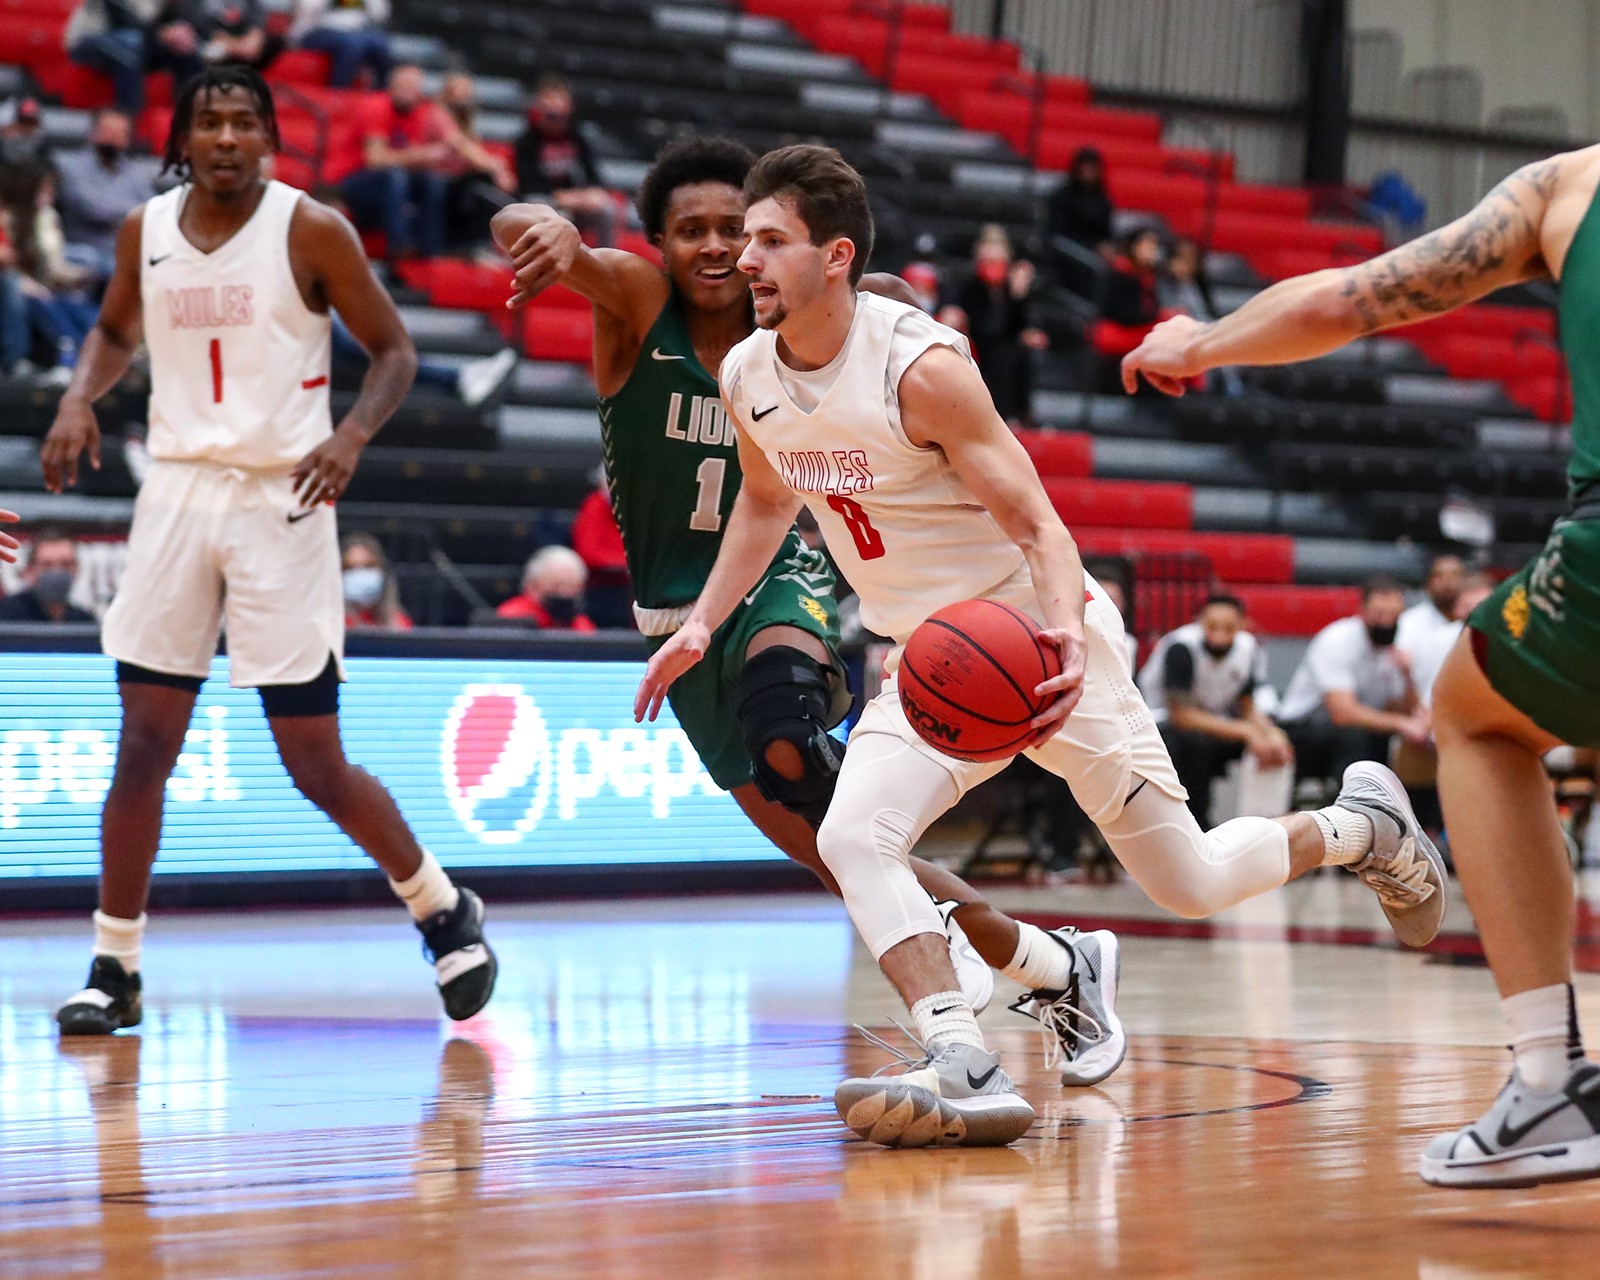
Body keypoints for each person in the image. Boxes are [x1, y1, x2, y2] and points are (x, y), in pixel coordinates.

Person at [637, 143, 1447, 1149]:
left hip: (1037, 640)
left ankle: (1357, 828)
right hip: (937, 665)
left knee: (1186, 881)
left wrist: (1062, 632)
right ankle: (957, 1053)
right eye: (743, 239)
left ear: (834, 255)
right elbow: (765, 501)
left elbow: (1040, 525)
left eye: (769, 240)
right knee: (853, 836)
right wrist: (705, 622)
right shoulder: (746, 370)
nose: (743, 260)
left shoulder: (922, 368)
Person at [496, 137, 1114, 1087]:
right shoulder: (635, 305)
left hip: (780, 574)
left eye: (729, 229)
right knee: (842, 855)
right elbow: (553, 245)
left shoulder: (796, 337)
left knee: (788, 721)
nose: (713, 248)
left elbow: (875, 334)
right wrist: (535, 224)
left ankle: (955, 1028)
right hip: (679, 620)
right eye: (689, 230)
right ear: (657, 242)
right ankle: (1056, 965)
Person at [1121, 145, 1600, 1188]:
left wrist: (1199, 340)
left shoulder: (1571, 186)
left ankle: (1549, 1080)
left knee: (1472, 711)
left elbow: (1357, 297)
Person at [37, 66, 496, 1037]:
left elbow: (395, 351)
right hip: (176, 494)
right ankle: (114, 965)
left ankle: (441, 906)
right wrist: (82, 394)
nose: (228, 137)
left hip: (282, 494)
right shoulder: (144, 232)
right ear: (183, 139)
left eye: (246, 121)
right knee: (143, 745)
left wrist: (350, 436)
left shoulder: (311, 228)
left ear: (270, 137)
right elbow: (115, 329)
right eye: (211, 121)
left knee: (312, 759)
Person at [1138, 594, 1293, 824]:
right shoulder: (1181, 647)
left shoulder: (1248, 648)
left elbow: (1246, 706)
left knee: (1277, 747)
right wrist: (1246, 732)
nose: (1219, 635)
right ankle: (1196, 825)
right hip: (1159, 724)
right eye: (1212, 627)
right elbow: (1181, 716)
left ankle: (1264, 826)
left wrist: (1271, 734)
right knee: (1195, 745)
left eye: (1228, 628)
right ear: (1199, 622)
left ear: (1242, 625)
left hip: (1216, 723)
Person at [1272, 577, 1426, 781]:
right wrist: (1401, 723)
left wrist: (1407, 676)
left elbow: (1404, 710)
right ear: (1362, 611)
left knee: (1410, 741)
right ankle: (1352, 808)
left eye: (1393, 615)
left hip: (1358, 731)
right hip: (1302, 728)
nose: (1386, 622)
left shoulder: (1398, 648)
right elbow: (1342, 713)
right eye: (1379, 614)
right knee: (1356, 736)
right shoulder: (1337, 640)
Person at [936, 226, 1047, 428]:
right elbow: (954, 311)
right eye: (989, 260)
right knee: (1001, 356)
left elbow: (1020, 326)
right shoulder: (967, 285)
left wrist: (1017, 297)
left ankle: (1017, 415)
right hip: (976, 344)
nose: (994, 266)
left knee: (1018, 354)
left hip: (1005, 346)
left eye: (998, 261)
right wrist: (952, 314)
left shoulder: (1013, 289)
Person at [341, 63, 454, 260]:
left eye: (413, 88)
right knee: (395, 176)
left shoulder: (420, 113)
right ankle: (397, 250)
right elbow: (375, 160)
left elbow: (451, 141)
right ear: (391, 86)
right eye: (403, 87)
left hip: (390, 182)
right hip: (352, 181)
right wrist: (423, 154)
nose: (407, 93)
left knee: (432, 181)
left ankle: (430, 251)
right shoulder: (377, 106)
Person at [54, 110, 160, 284]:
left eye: (119, 134)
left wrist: (121, 217)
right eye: (108, 132)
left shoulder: (135, 172)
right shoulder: (71, 167)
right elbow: (94, 210)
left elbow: (153, 211)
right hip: (88, 249)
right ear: (92, 132)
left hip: (129, 250)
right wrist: (132, 214)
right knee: (121, 270)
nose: (113, 138)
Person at [514, 75, 614, 247]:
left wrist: (592, 194)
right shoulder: (527, 142)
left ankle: (605, 259)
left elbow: (593, 175)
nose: (557, 122)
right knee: (560, 218)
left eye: (560, 117)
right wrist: (564, 198)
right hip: (541, 201)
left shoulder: (576, 137)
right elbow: (529, 186)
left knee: (606, 209)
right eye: (551, 116)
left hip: (572, 199)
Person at [434, 70, 516, 248]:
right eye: (460, 92)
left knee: (482, 183)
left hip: (456, 181)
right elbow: (464, 149)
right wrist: (497, 168)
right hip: (437, 180)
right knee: (482, 184)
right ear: (448, 93)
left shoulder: (466, 123)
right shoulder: (438, 115)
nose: (465, 98)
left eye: (468, 93)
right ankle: (472, 244)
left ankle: (482, 243)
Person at [65, 1, 163, 116]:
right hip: (86, 40)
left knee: (184, 48)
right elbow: (134, 22)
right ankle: (127, 119)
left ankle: (185, 114)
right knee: (129, 55)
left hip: (127, 44)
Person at [1396, 553, 1466, 706]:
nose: (1448, 582)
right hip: (1422, 710)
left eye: (1455, 575)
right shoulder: (1409, 623)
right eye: (1439, 576)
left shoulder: (1479, 620)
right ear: (1428, 583)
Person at [0, 524, 96, 622]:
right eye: (47, 565)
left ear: (77, 568)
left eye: (66, 564)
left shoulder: (83, 621)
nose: (56, 572)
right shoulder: (7, 616)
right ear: (30, 570)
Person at [291, 0, 391, 89]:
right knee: (351, 44)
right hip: (313, 30)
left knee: (380, 42)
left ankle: (381, 93)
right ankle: (337, 92)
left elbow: (380, 14)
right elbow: (307, 8)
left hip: (355, 32)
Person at [495, 545, 597, 630]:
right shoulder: (513, 618)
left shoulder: (581, 625)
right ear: (533, 586)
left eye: (571, 588)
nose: (564, 594)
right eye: (556, 586)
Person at [341, 531, 411, 630]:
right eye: (350, 567)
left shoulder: (398, 623)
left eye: (368, 566)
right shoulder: (328, 623)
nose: (360, 574)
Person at [1104, 227, 1162, 328]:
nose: (1152, 250)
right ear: (1133, 246)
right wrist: (1157, 316)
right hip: (1117, 329)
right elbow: (1124, 314)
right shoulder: (1120, 271)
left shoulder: (1150, 275)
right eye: (1147, 245)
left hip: (1140, 325)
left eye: (1155, 246)